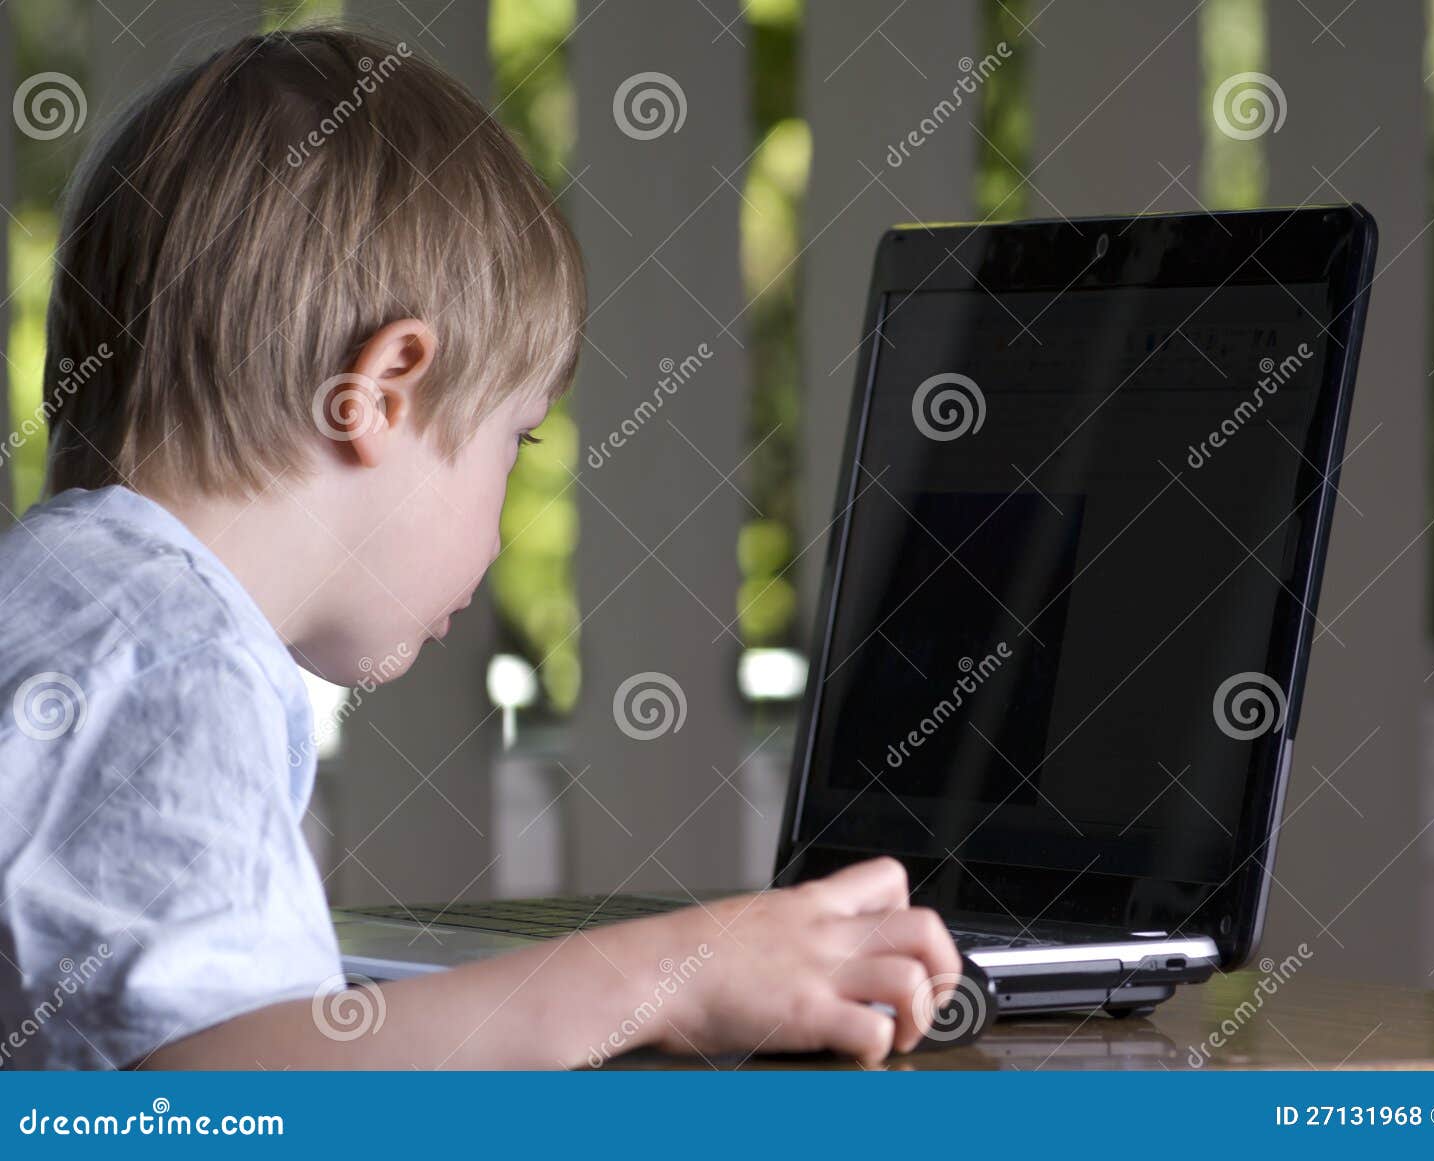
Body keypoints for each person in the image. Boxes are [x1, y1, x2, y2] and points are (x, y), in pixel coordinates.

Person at [0, 26, 959, 1070]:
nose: (503, 520)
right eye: (518, 439)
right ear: (381, 390)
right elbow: (209, 1104)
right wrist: (661, 977)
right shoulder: (174, 663)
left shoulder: (62, 602)